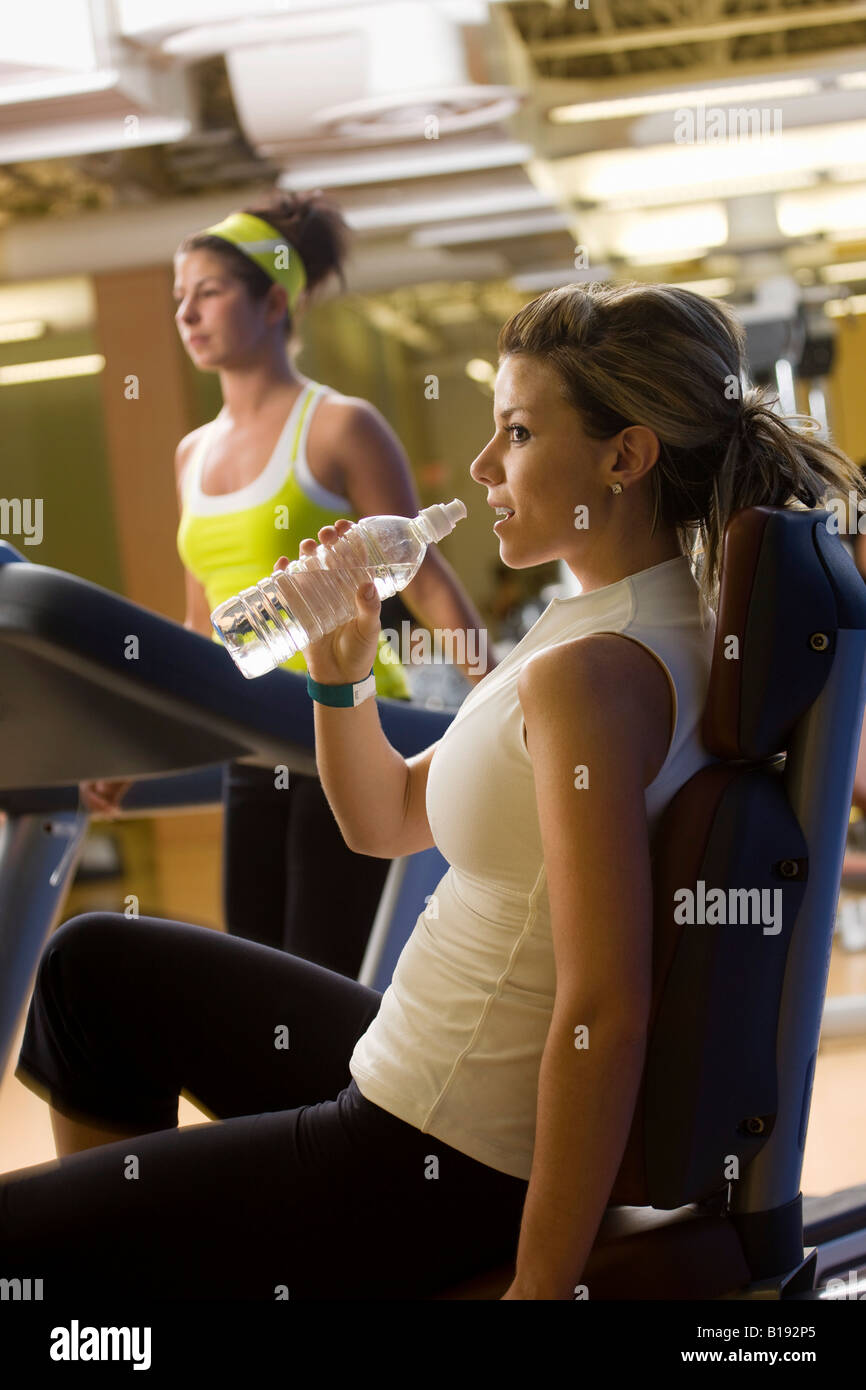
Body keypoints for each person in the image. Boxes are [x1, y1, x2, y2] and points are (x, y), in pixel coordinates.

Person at [3, 282, 862, 1302]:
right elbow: (383, 820)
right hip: (408, 1071)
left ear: (623, 458)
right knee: (93, 970)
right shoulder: (605, 618)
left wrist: (538, 1289)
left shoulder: (596, 674)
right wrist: (341, 665)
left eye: (515, 433)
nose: (483, 467)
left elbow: (605, 1009)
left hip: (433, 1153)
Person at [79, 191, 494, 978]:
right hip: (247, 737)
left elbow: (428, 578)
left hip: (346, 725)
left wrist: (500, 691)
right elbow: (202, 625)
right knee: (256, 970)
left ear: (274, 300)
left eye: (208, 292)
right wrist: (141, 744)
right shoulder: (189, 454)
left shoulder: (341, 425)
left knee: (323, 976)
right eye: (179, 298)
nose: (187, 314)